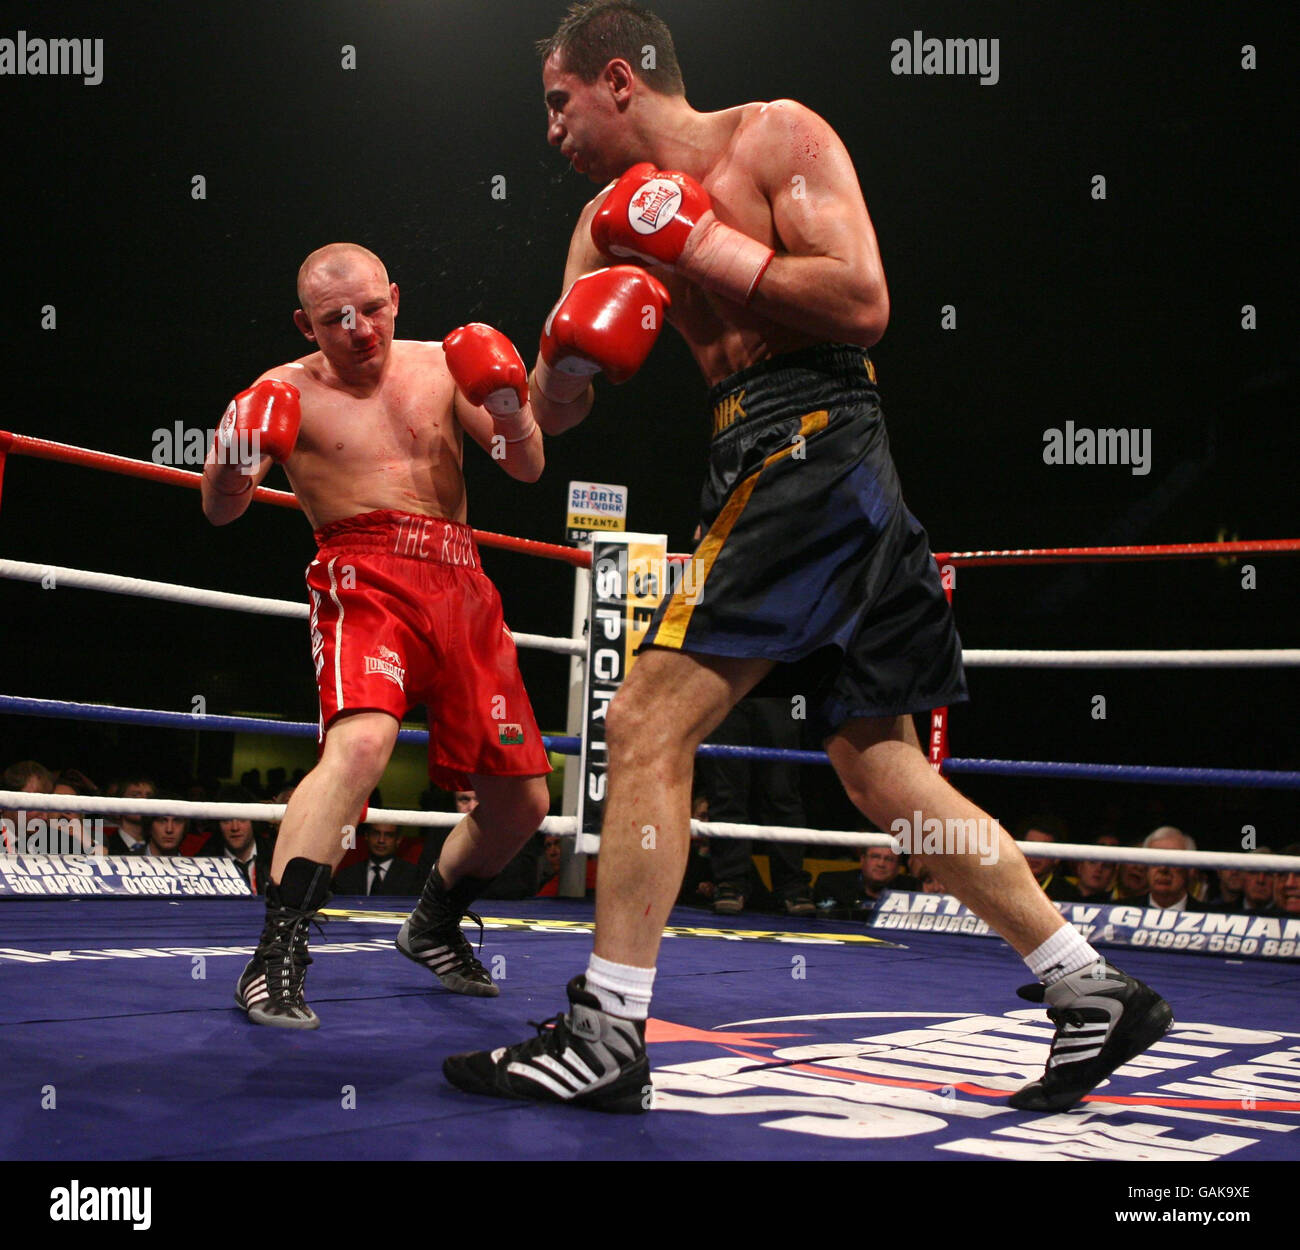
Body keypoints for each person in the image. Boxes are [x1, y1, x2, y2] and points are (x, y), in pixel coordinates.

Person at [442, 1, 1171, 1113]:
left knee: (643, 717)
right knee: (879, 762)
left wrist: (705, 245)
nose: (550, 131)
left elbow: (864, 303)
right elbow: (547, 433)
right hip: (763, 451)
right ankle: (1088, 982)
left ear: (620, 79)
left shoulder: (776, 137)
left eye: (558, 102)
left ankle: (604, 1030)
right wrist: (542, 378)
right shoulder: (599, 225)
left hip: (816, 436)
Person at [202, 242, 552, 1028]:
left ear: (395, 296)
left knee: (522, 800)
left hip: (463, 582)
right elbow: (219, 510)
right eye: (336, 319)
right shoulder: (278, 391)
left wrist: (509, 405)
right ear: (306, 323)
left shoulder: (444, 365)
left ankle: (431, 922)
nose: (360, 329)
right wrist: (229, 460)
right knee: (360, 747)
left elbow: (526, 467)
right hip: (363, 574)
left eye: (373, 309)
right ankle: (275, 958)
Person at [333, 823, 423, 896]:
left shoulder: (413, 876)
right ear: (366, 836)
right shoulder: (347, 875)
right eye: (376, 833)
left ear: (398, 840)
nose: (381, 840)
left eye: (388, 835)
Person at [814, 844, 901, 917]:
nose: (881, 864)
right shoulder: (831, 884)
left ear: (898, 867)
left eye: (889, 859)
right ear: (862, 860)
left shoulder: (909, 888)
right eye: (875, 857)